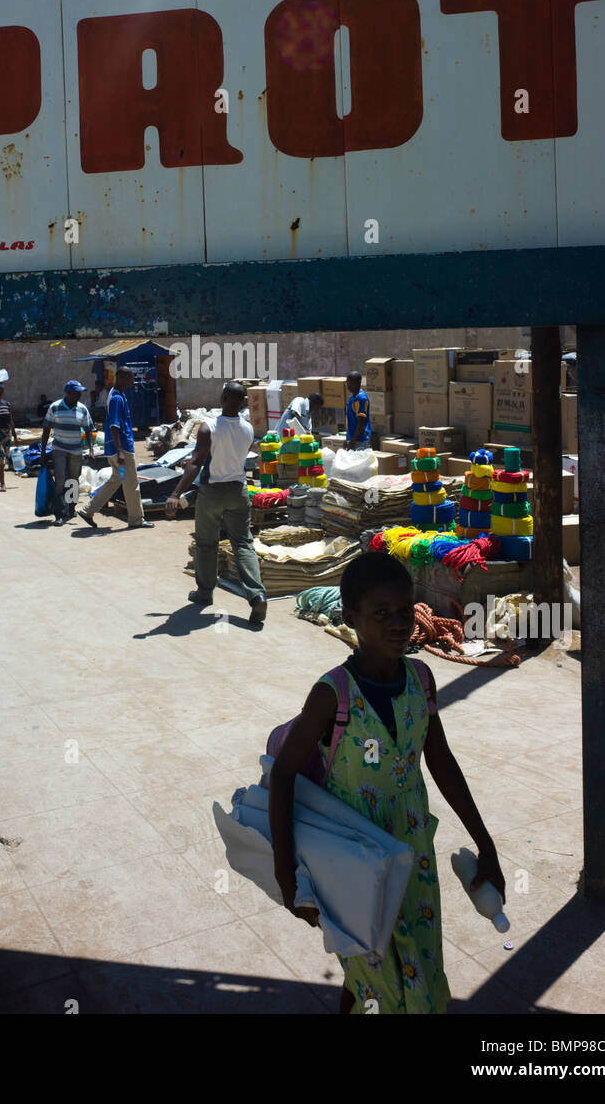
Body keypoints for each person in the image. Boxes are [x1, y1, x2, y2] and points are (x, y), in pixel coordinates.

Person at [268, 550, 504, 1015]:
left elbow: (442, 762)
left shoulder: (421, 679)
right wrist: (284, 868)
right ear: (351, 617)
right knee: (373, 975)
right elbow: (283, 774)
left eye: (404, 611)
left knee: (420, 967)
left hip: (414, 860)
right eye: (381, 614)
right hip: (351, 865)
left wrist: (486, 844)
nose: (398, 624)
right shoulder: (331, 694)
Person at [165, 381, 268, 624]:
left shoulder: (208, 426)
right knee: (243, 544)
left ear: (222, 398)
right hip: (239, 491)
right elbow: (224, 454)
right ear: (242, 401)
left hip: (212, 493)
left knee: (206, 544)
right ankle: (257, 596)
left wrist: (175, 493)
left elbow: (199, 461)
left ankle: (204, 592)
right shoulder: (248, 428)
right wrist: (193, 459)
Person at [77, 367, 151, 529]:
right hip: (122, 450)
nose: (132, 382)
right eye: (130, 379)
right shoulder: (117, 398)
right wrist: (120, 452)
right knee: (131, 483)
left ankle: (87, 510)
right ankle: (136, 519)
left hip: (116, 450)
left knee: (117, 479)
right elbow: (114, 426)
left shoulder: (116, 395)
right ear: (122, 378)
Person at [39, 380, 95, 525]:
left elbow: (89, 430)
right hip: (59, 449)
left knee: (73, 480)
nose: (79, 395)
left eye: (80, 393)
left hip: (76, 450)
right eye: (76, 392)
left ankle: (71, 508)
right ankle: (59, 513)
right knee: (61, 481)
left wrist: (91, 450)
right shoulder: (55, 407)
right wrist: (43, 453)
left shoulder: (82, 409)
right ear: (68, 393)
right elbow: (46, 430)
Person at [345, 371, 371, 450]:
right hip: (353, 440)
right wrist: (347, 439)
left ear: (358, 382)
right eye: (347, 382)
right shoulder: (353, 398)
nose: (348, 385)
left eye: (350, 382)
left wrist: (352, 442)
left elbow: (361, 422)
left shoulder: (360, 398)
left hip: (360, 442)